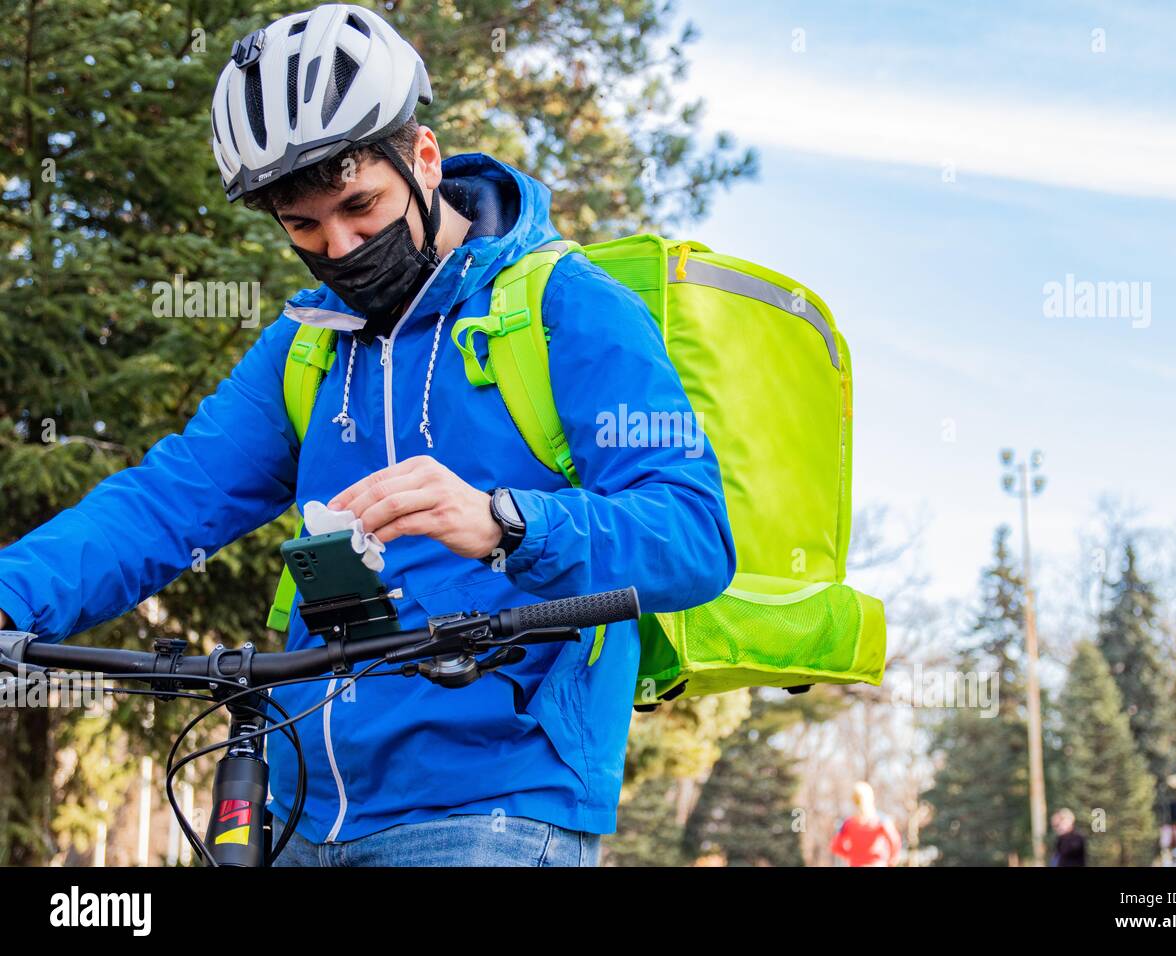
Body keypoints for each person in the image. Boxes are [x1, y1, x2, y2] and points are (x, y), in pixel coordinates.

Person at [0, 3, 735, 867]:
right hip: (299, 806)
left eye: (361, 205)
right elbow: (166, 505)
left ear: (422, 159)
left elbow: (693, 536)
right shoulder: (305, 348)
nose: (340, 247)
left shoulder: (565, 308)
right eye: (304, 226)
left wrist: (506, 523)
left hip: (492, 802)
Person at [830, 782, 901, 867]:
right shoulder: (882, 820)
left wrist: (850, 855)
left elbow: (835, 845)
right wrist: (891, 859)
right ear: (871, 798)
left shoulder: (848, 823)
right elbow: (895, 841)